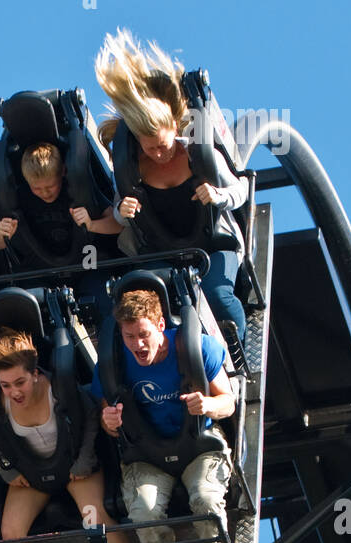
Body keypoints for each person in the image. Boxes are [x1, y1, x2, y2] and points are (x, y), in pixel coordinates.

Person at [94, 28, 248, 341]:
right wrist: (123, 210)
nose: (160, 153)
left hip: (213, 245)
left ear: (174, 127)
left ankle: (236, 350)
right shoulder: (130, 171)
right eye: (151, 148)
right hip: (162, 251)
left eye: (163, 145)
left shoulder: (198, 155)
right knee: (142, 308)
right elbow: (119, 217)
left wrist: (219, 195)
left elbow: (241, 190)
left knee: (216, 296)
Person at [90, 287, 236, 543]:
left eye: (143, 334)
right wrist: (110, 422)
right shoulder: (114, 363)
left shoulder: (196, 348)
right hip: (148, 453)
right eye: (129, 337)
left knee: (206, 501)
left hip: (197, 444)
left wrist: (208, 406)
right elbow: (107, 419)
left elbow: (229, 402)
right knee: (143, 512)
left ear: (160, 326)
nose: (137, 345)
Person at [0, 329, 126, 543]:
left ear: (34, 374)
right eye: (6, 385)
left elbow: (91, 419)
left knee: (94, 519)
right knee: (11, 533)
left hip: (73, 467)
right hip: (33, 473)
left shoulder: (59, 389)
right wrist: (7, 470)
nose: (15, 392)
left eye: (20, 382)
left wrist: (84, 460)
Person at [0, 143, 120, 315]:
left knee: (107, 304)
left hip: (86, 267)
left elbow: (118, 224)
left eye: (50, 186)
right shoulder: (19, 198)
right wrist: (2, 234)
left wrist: (92, 224)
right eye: (37, 188)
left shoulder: (79, 190)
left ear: (63, 172)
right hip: (40, 273)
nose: (45, 193)